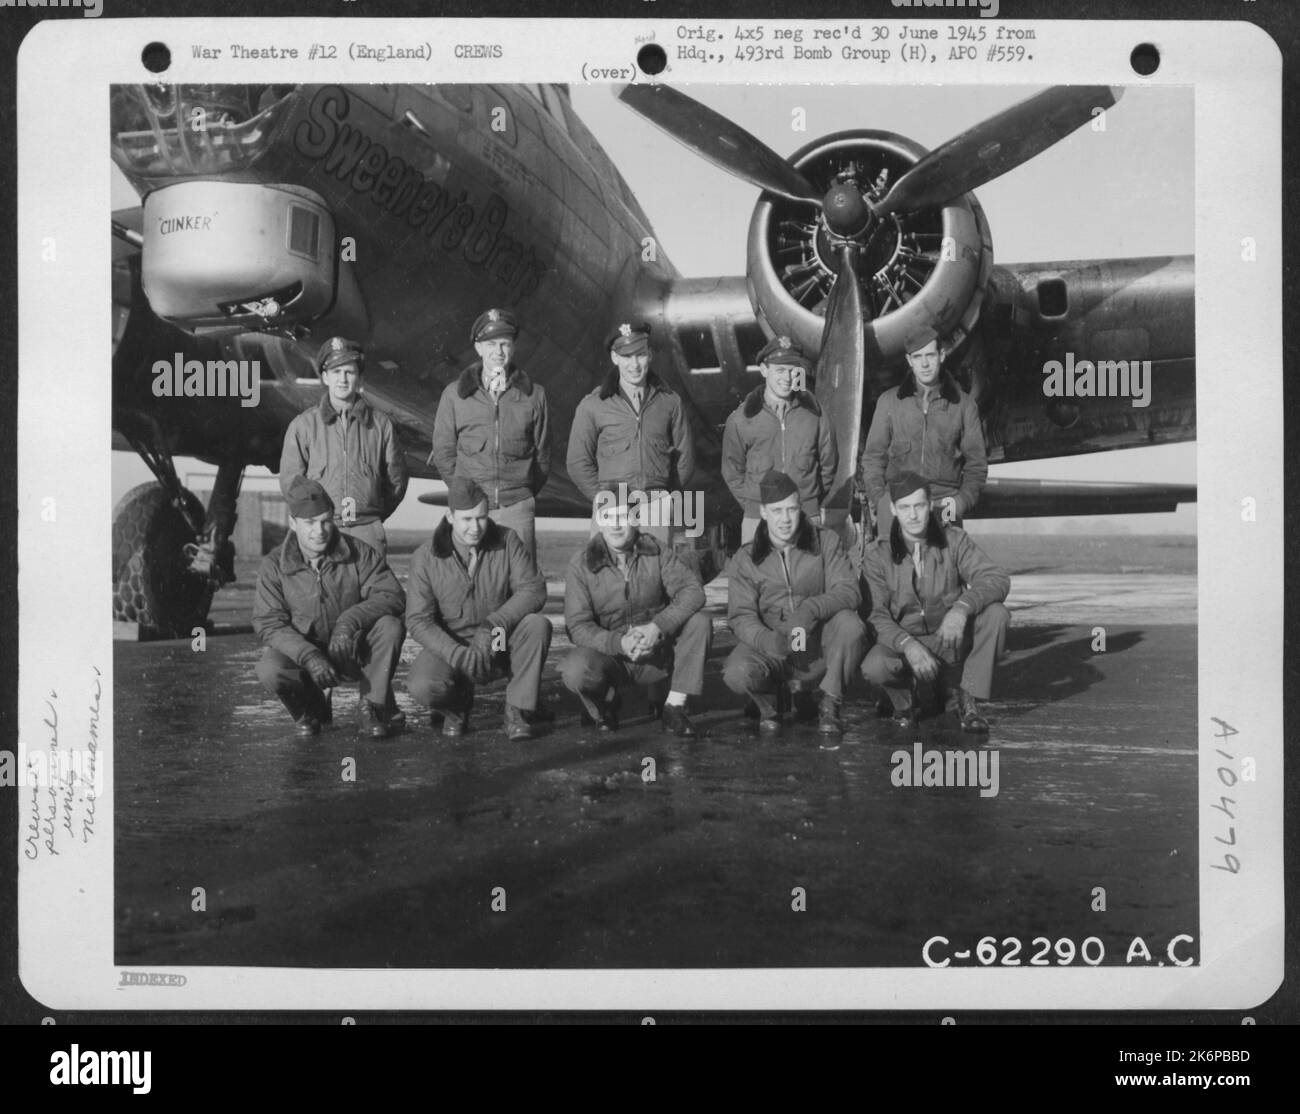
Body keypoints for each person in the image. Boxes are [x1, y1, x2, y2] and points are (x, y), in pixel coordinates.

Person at [253, 477, 406, 738]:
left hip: (353, 650)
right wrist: (309, 655)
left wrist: (349, 622)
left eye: (325, 521)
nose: (320, 530)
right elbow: (269, 624)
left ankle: (373, 706)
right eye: (310, 523)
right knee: (270, 668)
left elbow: (392, 595)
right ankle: (309, 711)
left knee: (390, 626)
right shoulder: (273, 566)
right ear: (293, 523)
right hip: (309, 658)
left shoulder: (360, 552)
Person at [861, 472, 1011, 732]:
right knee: (874, 666)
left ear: (930, 505)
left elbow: (996, 578)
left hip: (948, 639)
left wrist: (962, 609)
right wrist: (907, 644)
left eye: (919, 505)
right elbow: (876, 615)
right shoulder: (877, 555)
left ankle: (968, 698)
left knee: (996, 614)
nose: (913, 515)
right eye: (905, 507)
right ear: (894, 510)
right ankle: (904, 704)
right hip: (906, 645)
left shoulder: (954, 540)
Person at [404, 477, 551, 741]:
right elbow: (418, 620)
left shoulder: (508, 541)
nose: (476, 527)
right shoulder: (424, 557)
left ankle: (517, 711)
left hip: (497, 639)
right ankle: (456, 708)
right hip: (452, 645)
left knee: (536, 625)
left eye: (481, 518)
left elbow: (533, 589)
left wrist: (494, 625)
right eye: (467, 520)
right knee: (422, 684)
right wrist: (458, 655)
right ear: (450, 517)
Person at [723, 469, 866, 737]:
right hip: (776, 647)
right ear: (764, 513)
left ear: (800, 507)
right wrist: (769, 641)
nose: (786, 519)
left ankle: (830, 702)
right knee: (736, 671)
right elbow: (741, 617)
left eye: (791, 509)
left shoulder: (826, 542)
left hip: (817, 645)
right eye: (777, 511)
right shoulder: (746, 558)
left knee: (850, 625)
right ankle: (769, 705)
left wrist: (810, 609)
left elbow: (849, 590)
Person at [560, 488, 711, 737]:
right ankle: (605, 704)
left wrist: (657, 627)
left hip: (656, 653)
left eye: (623, 516)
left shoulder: (657, 550)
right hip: (612, 658)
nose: (616, 525)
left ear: (636, 519)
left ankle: (674, 707)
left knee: (700, 623)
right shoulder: (581, 564)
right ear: (599, 521)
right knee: (574, 670)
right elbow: (577, 625)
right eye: (608, 517)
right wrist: (619, 642)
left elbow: (692, 592)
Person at [430, 308, 551, 561]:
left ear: (513, 348)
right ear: (478, 348)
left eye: (505, 344)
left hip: (516, 508)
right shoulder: (454, 396)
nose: (499, 352)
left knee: (521, 580)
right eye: (491, 344)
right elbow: (444, 454)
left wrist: (520, 492)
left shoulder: (534, 396)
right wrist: (466, 495)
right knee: (472, 579)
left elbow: (542, 456)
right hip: (472, 509)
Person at [565, 322, 695, 547]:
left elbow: (685, 458)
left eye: (640, 355)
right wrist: (603, 498)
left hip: (655, 505)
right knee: (609, 576)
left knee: (653, 575)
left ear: (650, 355)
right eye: (626, 357)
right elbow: (577, 462)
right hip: (612, 506)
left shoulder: (670, 402)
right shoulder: (593, 405)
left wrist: (664, 497)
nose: (634, 365)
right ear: (614, 358)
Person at [279, 336, 408, 557]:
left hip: (367, 531)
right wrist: (314, 521)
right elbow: (291, 483)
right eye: (336, 372)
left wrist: (373, 516)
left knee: (370, 590)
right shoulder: (303, 426)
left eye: (349, 372)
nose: (343, 379)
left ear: (358, 377)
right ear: (325, 377)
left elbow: (396, 480)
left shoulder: (380, 424)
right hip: (323, 531)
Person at [857, 325, 987, 540]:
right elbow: (872, 459)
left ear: (942, 355)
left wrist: (961, 502)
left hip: (944, 502)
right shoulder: (889, 402)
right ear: (909, 361)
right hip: (898, 503)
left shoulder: (965, 406)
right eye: (917, 357)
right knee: (895, 570)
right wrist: (881, 501)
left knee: (944, 571)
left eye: (930, 356)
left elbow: (977, 466)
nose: (924, 364)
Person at [722, 335, 838, 542]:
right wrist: (754, 504)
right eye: (780, 370)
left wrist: (809, 499)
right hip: (758, 520)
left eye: (793, 370)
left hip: (805, 517)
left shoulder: (815, 415)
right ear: (764, 370)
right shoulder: (741, 419)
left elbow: (829, 465)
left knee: (809, 573)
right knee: (757, 573)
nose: (787, 378)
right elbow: (731, 470)